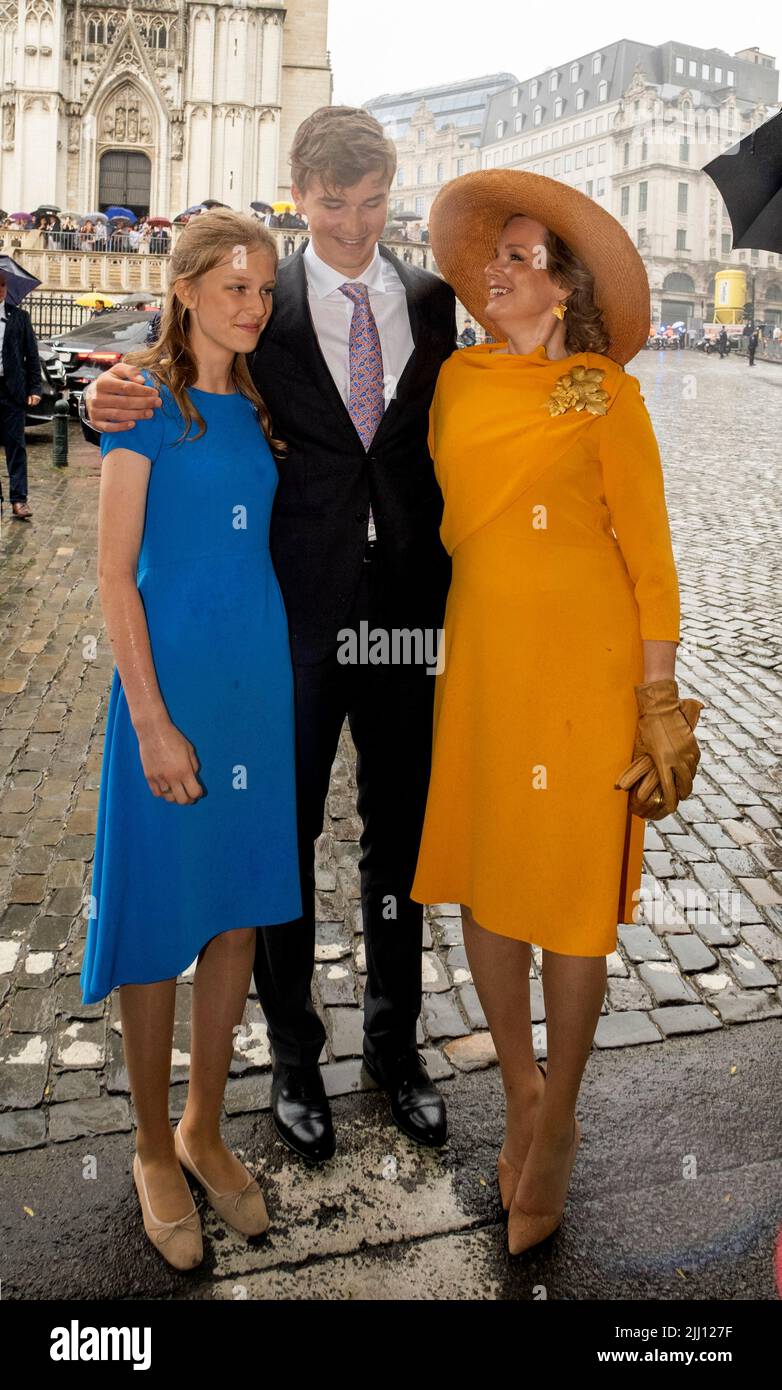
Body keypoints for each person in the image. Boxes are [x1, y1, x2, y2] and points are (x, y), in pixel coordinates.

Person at [81, 106, 457, 1164]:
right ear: (298, 196)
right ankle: (293, 1057)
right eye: (331, 204)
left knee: (401, 831)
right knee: (279, 835)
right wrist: (99, 399)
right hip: (290, 615)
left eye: (372, 201)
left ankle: (394, 1044)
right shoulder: (264, 301)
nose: (351, 224)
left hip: (406, 612)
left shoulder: (430, 303)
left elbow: (450, 434)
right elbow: (168, 384)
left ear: (391, 192)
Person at [409, 169, 703, 1254]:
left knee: (572, 895)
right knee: (489, 878)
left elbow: (652, 560)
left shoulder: (602, 391)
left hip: (585, 669)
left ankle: (562, 1114)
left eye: (521, 257)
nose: (497, 268)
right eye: (494, 255)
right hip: (484, 661)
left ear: (565, 286)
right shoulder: (452, 378)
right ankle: (521, 1093)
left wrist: (655, 695)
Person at [79, 209, 302, 1269]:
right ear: (185, 291)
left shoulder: (254, 404)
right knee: (165, 914)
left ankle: (203, 1126)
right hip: (168, 699)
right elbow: (114, 574)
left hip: (253, 693)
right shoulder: (144, 406)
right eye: (232, 288)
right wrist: (153, 722)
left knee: (237, 913)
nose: (252, 305)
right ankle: (145, 1144)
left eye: (261, 289)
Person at [0, 270, 42, 520]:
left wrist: (35, 389)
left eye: (3, 285)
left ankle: (19, 500)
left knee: (16, 446)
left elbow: (32, 355)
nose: (0, 289)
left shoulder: (20, 317)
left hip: (12, 390)